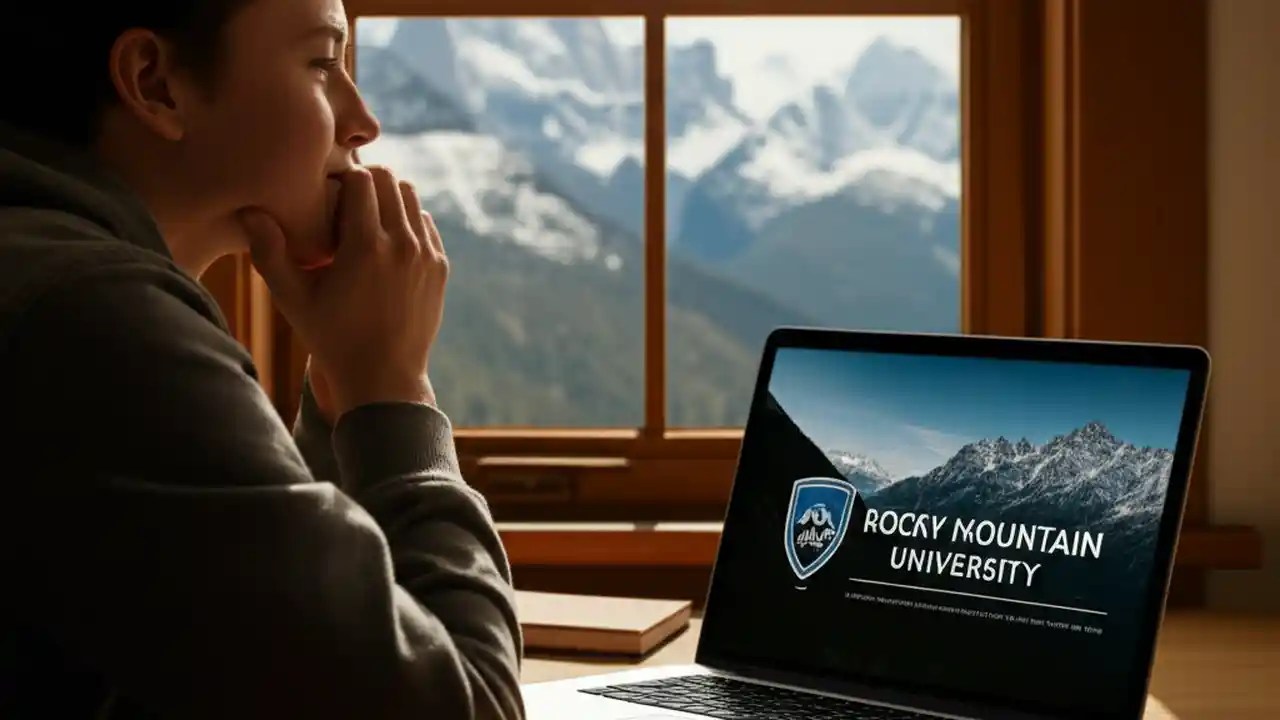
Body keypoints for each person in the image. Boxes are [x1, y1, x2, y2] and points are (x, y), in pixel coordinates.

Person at [0, 0, 523, 718]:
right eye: (321, 62)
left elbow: (263, 637)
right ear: (155, 83)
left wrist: (344, 381)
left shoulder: (45, 266)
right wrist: (393, 391)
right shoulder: (97, 323)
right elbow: (472, 710)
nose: (362, 119)